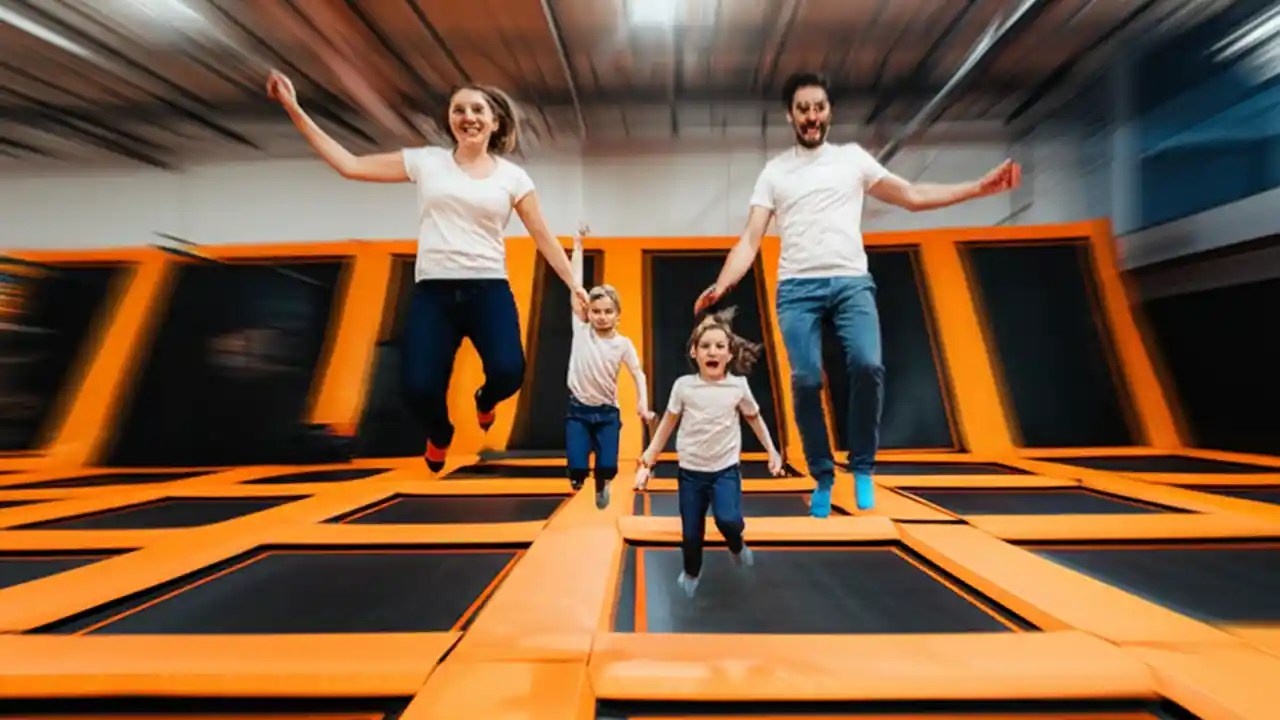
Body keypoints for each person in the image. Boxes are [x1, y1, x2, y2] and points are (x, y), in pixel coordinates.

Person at [695, 71, 1021, 518]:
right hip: (797, 289)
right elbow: (750, 238)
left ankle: (863, 467)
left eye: (819, 108)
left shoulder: (852, 159)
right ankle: (824, 475)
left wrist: (978, 188)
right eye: (804, 109)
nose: (812, 117)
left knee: (868, 365)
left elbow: (910, 195)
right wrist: (724, 281)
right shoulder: (775, 172)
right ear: (791, 115)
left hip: (851, 282)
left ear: (829, 112)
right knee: (806, 380)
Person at [266, 70, 589, 472]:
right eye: (459, 110)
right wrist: (294, 109)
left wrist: (574, 283)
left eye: (477, 110)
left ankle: (484, 401)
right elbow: (349, 165)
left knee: (508, 373)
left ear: (495, 122)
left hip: (487, 289)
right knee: (417, 388)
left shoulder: (513, 178)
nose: (467, 117)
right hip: (434, 292)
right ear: (450, 119)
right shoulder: (426, 162)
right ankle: (439, 433)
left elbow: (542, 235)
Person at [634, 309, 784, 598]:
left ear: (729, 354)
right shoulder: (684, 386)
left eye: (719, 347)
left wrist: (772, 452)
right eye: (705, 346)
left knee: (728, 520)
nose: (712, 352)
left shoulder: (737, 386)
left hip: (725, 470)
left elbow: (753, 417)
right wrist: (649, 457)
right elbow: (668, 421)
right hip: (690, 473)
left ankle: (737, 544)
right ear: (694, 352)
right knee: (691, 534)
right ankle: (691, 573)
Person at [565, 223, 655, 508]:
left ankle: (602, 483)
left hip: (607, 413)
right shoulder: (581, 329)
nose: (601, 317)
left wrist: (643, 403)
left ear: (617, 315)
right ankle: (580, 477)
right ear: (588, 313)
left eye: (608, 312)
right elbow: (573, 285)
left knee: (609, 467)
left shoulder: (623, 344)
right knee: (577, 470)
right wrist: (577, 247)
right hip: (578, 410)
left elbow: (638, 374)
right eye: (596, 312)